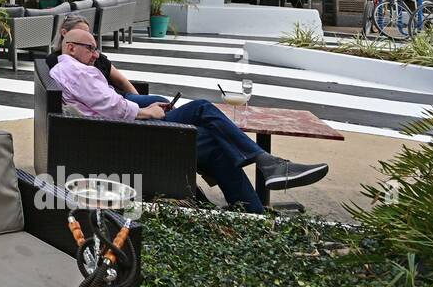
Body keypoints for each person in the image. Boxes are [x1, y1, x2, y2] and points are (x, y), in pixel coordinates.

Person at [50, 27, 329, 212]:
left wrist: (143, 105)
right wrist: (148, 111)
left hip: (121, 132)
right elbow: (110, 106)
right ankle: (266, 165)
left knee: (214, 147)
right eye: (91, 49)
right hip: (129, 134)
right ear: (71, 47)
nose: (96, 55)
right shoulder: (77, 71)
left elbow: (107, 103)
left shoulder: (70, 70)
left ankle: (254, 207)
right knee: (201, 108)